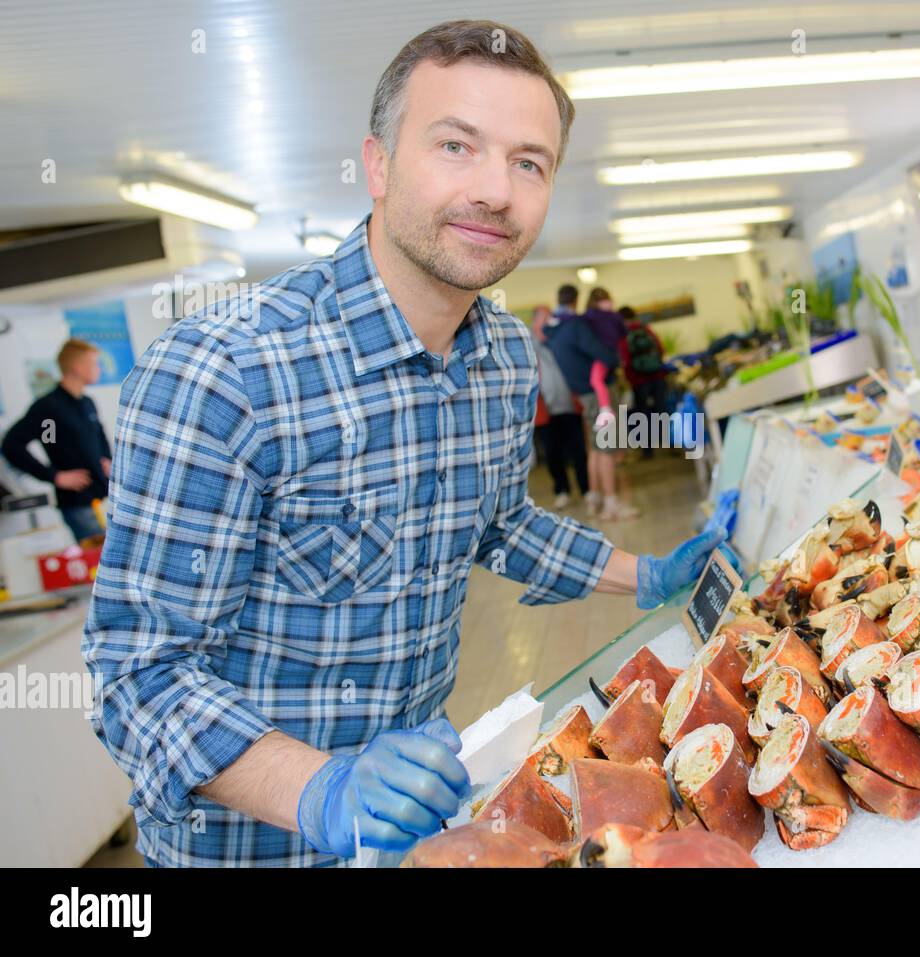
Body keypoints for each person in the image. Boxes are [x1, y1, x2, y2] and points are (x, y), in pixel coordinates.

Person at [83, 19, 738, 868]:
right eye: (457, 146)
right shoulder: (226, 370)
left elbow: (500, 524)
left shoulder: (503, 358)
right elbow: (137, 675)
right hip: (244, 852)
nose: (496, 190)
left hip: (420, 835)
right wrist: (322, 789)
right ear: (380, 163)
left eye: (528, 162)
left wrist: (643, 574)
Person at [2, 338, 112, 542]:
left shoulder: (87, 403)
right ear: (78, 367)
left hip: (104, 497)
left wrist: (108, 460)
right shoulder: (48, 409)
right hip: (79, 503)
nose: (99, 369)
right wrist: (54, 476)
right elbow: (13, 445)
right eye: (94, 364)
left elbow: (99, 437)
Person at [545, 285, 636, 520]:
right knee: (607, 449)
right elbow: (603, 353)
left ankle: (594, 500)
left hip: (583, 395)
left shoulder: (554, 330)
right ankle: (611, 505)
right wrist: (613, 359)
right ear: (575, 302)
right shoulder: (575, 326)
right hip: (599, 394)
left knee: (595, 449)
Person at [530, 305, 588, 509]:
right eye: (545, 318)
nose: (549, 322)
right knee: (553, 453)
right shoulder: (527, 344)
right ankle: (562, 490)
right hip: (544, 409)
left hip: (570, 404)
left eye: (551, 318)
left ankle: (586, 489)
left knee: (578, 449)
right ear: (535, 322)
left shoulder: (559, 339)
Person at [618, 306, 669, 459]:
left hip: (639, 380)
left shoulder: (624, 335)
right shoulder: (647, 330)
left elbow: (625, 360)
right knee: (662, 409)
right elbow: (661, 349)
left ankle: (648, 450)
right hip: (658, 376)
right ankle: (672, 444)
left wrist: (628, 378)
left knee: (642, 414)